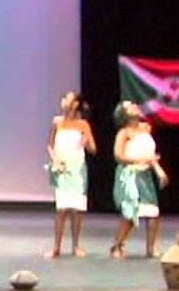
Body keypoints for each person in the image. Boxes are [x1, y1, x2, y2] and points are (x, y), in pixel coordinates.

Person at [110, 101, 168, 258]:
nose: (134, 106)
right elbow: (118, 156)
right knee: (130, 214)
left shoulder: (146, 128)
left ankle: (151, 249)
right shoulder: (123, 133)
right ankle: (117, 245)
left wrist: (159, 171)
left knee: (153, 212)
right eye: (129, 106)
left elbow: (150, 155)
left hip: (145, 174)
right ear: (124, 114)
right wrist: (138, 160)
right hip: (129, 175)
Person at [45, 93, 97, 258]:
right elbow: (50, 144)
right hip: (62, 168)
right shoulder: (57, 122)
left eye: (67, 98)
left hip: (78, 169)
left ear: (75, 104)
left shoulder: (83, 125)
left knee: (77, 210)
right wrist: (55, 160)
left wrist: (86, 142)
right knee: (61, 209)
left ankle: (76, 245)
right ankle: (56, 247)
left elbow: (93, 149)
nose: (63, 101)